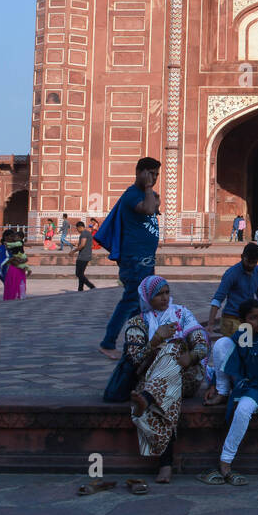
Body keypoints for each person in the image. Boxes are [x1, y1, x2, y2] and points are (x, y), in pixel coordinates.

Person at [198, 298, 258, 485]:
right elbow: (229, 355)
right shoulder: (246, 333)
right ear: (243, 322)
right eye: (253, 318)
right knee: (221, 344)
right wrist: (215, 384)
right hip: (244, 384)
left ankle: (226, 461)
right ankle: (222, 392)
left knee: (243, 410)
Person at [127, 276, 208, 484]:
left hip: (186, 375)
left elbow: (201, 343)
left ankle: (146, 397)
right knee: (165, 393)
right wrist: (155, 340)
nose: (164, 298)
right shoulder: (138, 322)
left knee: (172, 350)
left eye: (166, 292)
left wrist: (190, 356)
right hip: (156, 379)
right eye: (158, 294)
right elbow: (135, 360)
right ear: (147, 297)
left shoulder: (181, 313)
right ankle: (166, 465)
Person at [95, 156, 163, 360]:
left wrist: (151, 191)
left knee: (141, 302)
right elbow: (150, 208)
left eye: (157, 174)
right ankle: (108, 343)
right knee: (132, 298)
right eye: (150, 173)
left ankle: (136, 341)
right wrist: (149, 188)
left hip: (145, 258)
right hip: (134, 258)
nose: (154, 178)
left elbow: (156, 203)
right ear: (139, 172)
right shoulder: (132, 194)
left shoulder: (144, 194)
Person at [207, 244, 258, 338]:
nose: (251, 265)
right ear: (242, 257)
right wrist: (211, 323)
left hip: (249, 319)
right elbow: (218, 299)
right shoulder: (232, 273)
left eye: (254, 262)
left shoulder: (257, 271)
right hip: (232, 320)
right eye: (248, 262)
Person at [70, 220, 96, 291]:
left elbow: (82, 245)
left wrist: (73, 251)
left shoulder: (84, 234)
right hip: (87, 255)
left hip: (83, 256)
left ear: (80, 227)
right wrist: (76, 245)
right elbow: (89, 244)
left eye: (77, 228)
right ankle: (80, 289)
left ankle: (91, 286)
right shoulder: (88, 233)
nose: (77, 230)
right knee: (81, 274)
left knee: (78, 274)